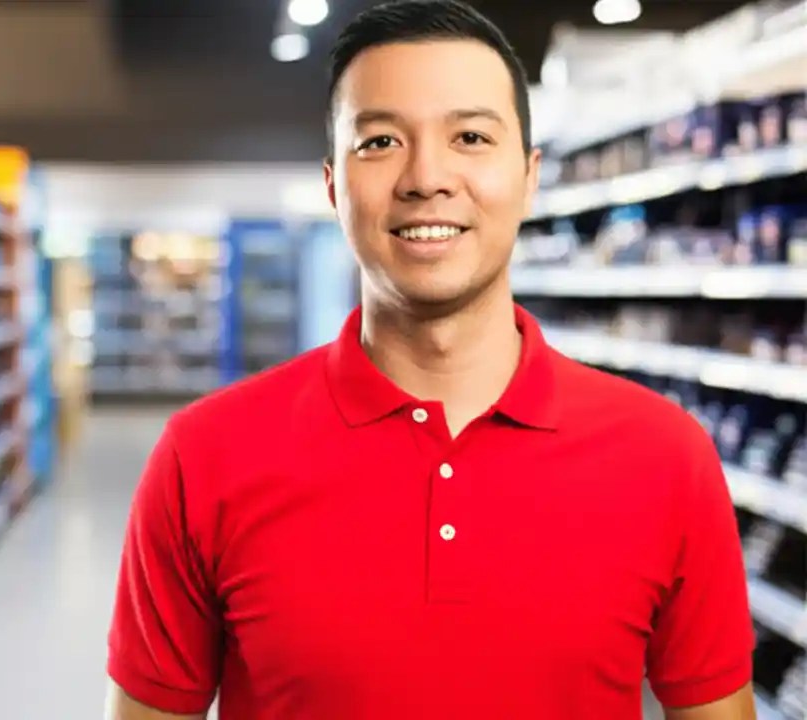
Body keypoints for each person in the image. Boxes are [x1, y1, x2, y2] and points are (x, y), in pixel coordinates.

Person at [104, 1, 756, 718]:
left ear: (531, 176)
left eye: (471, 136)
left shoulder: (667, 459)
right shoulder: (205, 459)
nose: (426, 177)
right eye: (380, 142)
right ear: (333, 187)